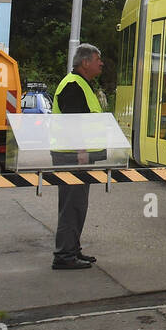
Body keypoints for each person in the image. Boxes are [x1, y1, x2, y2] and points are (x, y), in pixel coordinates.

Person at [50, 43, 106, 271]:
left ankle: (72, 249)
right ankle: (64, 255)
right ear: (85, 62)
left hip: (74, 156)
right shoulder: (74, 85)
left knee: (76, 205)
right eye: (97, 59)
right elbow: (73, 123)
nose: (101, 63)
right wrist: (82, 150)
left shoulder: (81, 84)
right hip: (72, 157)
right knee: (72, 206)